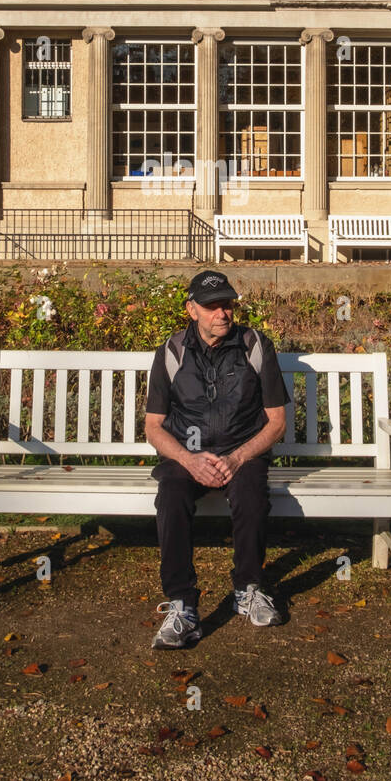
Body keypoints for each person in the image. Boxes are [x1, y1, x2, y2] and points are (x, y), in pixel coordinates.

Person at [144, 269, 290, 648]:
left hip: (242, 453)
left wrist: (239, 458)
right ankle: (181, 603)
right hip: (186, 456)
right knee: (171, 495)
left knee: (252, 495)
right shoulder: (172, 352)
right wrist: (190, 461)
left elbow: (277, 423)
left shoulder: (255, 346)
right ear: (192, 310)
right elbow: (154, 428)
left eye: (226, 304)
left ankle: (249, 588)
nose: (222, 313)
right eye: (211, 306)